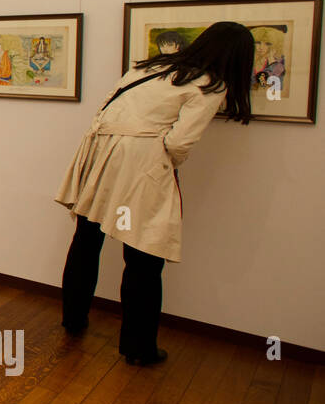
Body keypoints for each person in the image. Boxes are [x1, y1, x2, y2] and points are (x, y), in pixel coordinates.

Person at [54, 21, 254, 366]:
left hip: (101, 150)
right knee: (144, 254)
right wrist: (163, 160)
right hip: (142, 161)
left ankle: (73, 319)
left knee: (86, 239)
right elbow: (180, 142)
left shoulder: (150, 67)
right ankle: (138, 346)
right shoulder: (208, 83)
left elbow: (107, 106)